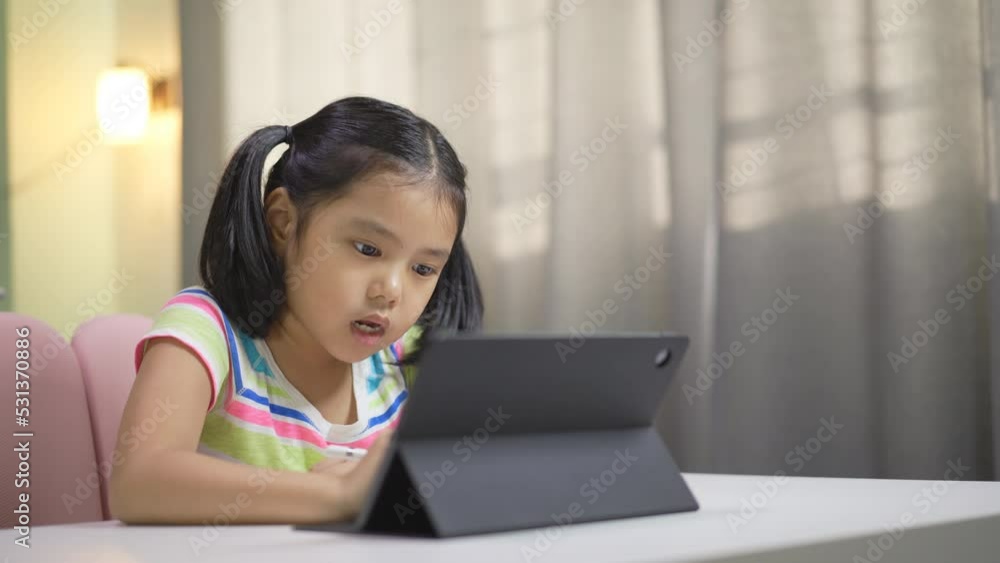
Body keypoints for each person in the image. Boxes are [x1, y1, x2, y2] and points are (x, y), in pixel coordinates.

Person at [109, 96, 483, 524]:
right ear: (283, 222)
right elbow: (137, 483)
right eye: (367, 248)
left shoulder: (410, 359)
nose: (391, 291)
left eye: (423, 268)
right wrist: (339, 492)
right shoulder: (208, 331)